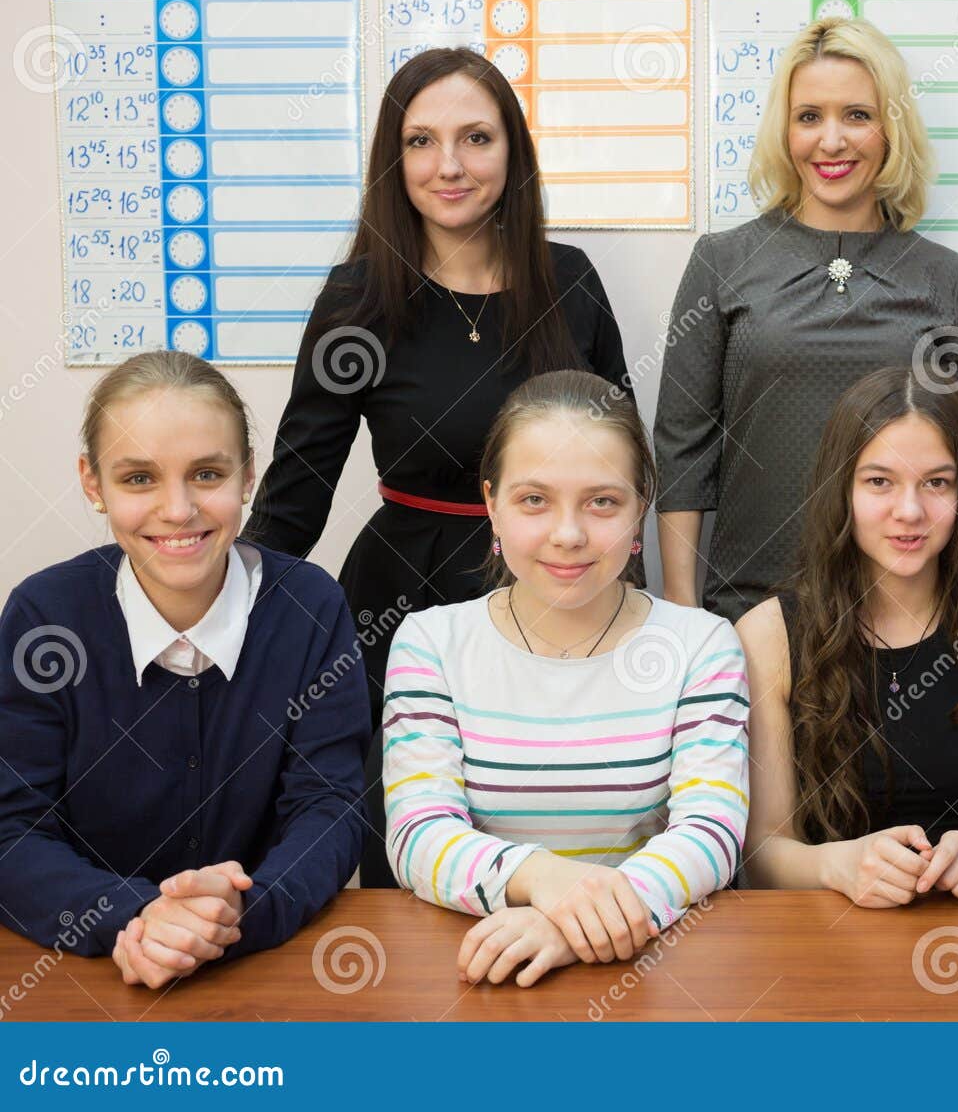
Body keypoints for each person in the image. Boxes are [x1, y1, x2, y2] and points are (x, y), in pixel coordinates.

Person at [244, 48, 629, 887]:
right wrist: (216, 622)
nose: (449, 165)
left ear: (512, 153)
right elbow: (297, 487)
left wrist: (649, 618)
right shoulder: (356, 299)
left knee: (565, 835)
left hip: (558, 592)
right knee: (412, 855)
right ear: (395, 158)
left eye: (475, 138)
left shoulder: (571, 282)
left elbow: (621, 469)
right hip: (399, 603)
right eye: (421, 141)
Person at [0, 352, 366, 988]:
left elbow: (329, 810)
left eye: (206, 473)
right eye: (139, 478)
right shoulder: (44, 615)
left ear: (248, 475)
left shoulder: (311, 607)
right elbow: (10, 830)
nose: (177, 510)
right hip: (87, 972)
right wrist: (134, 919)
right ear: (93, 483)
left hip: (263, 969)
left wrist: (239, 914)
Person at [383, 371, 748, 987]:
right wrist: (547, 880)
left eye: (602, 501)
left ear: (641, 508)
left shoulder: (702, 645)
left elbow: (711, 834)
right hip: (479, 966)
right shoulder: (431, 642)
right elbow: (418, 834)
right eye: (534, 500)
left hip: (652, 971)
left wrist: (570, 926)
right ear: (492, 504)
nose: (569, 534)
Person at [654, 16, 958, 623]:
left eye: (857, 116)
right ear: (785, 132)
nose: (831, 141)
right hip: (752, 607)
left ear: (891, 128)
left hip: (898, 611)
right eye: (809, 117)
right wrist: (681, 619)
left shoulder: (943, 276)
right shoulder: (722, 261)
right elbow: (683, 450)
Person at [739, 367, 958, 906]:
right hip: (822, 937)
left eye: (937, 483)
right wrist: (838, 866)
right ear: (843, 490)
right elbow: (762, 853)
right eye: (879, 481)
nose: (910, 511)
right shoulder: (769, 636)